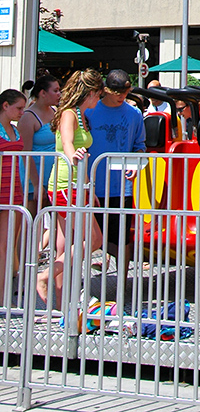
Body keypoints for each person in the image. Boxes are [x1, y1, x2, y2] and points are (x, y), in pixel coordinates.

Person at [37, 68, 104, 306]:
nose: (100, 99)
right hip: (67, 184)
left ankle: (60, 301)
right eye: (98, 94)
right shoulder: (69, 114)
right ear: (90, 92)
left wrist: (90, 189)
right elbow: (66, 142)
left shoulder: (80, 114)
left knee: (65, 243)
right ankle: (45, 277)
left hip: (77, 184)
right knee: (93, 239)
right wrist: (71, 154)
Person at [88, 69, 146, 280]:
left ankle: (122, 283)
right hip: (93, 184)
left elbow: (140, 145)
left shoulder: (134, 114)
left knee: (121, 237)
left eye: (125, 91)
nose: (122, 95)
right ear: (106, 90)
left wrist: (136, 163)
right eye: (117, 92)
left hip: (120, 187)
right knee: (89, 236)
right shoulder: (90, 111)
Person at [17, 75, 60, 216]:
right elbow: (25, 153)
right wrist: (36, 184)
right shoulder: (28, 117)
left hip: (53, 178)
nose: (59, 94)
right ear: (43, 93)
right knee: (30, 222)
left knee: (52, 223)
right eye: (55, 90)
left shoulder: (55, 112)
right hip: (33, 181)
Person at [0, 89, 26, 305]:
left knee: (7, 248)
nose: (21, 112)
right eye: (18, 108)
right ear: (5, 106)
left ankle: (2, 299)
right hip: (2, 190)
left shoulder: (15, 130)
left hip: (13, 192)